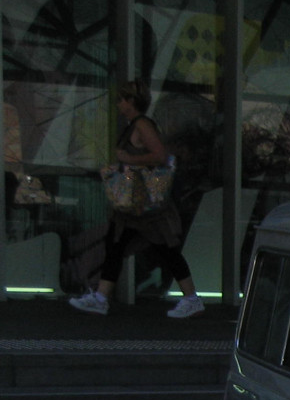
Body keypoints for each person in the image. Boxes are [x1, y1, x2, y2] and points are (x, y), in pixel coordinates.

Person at [69, 80, 203, 318]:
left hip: (145, 205)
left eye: (122, 99)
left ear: (131, 101)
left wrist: (128, 159)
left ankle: (191, 298)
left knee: (164, 249)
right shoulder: (136, 125)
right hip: (136, 206)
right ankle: (101, 297)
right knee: (116, 245)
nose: (119, 104)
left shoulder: (141, 125)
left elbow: (160, 156)